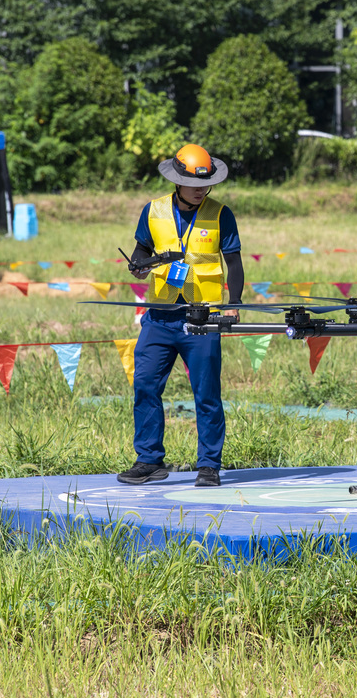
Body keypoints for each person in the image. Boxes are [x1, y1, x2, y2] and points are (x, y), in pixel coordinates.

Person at [117, 144, 244, 488]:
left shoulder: (221, 214)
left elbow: (233, 262)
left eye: (207, 184)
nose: (202, 189)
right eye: (195, 184)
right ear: (177, 180)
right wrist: (138, 266)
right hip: (159, 316)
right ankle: (149, 461)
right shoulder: (153, 210)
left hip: (203, 319)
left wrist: (235, 303)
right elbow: (141, 249)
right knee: (144, 385)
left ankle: (209, 465)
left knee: (206, 392)